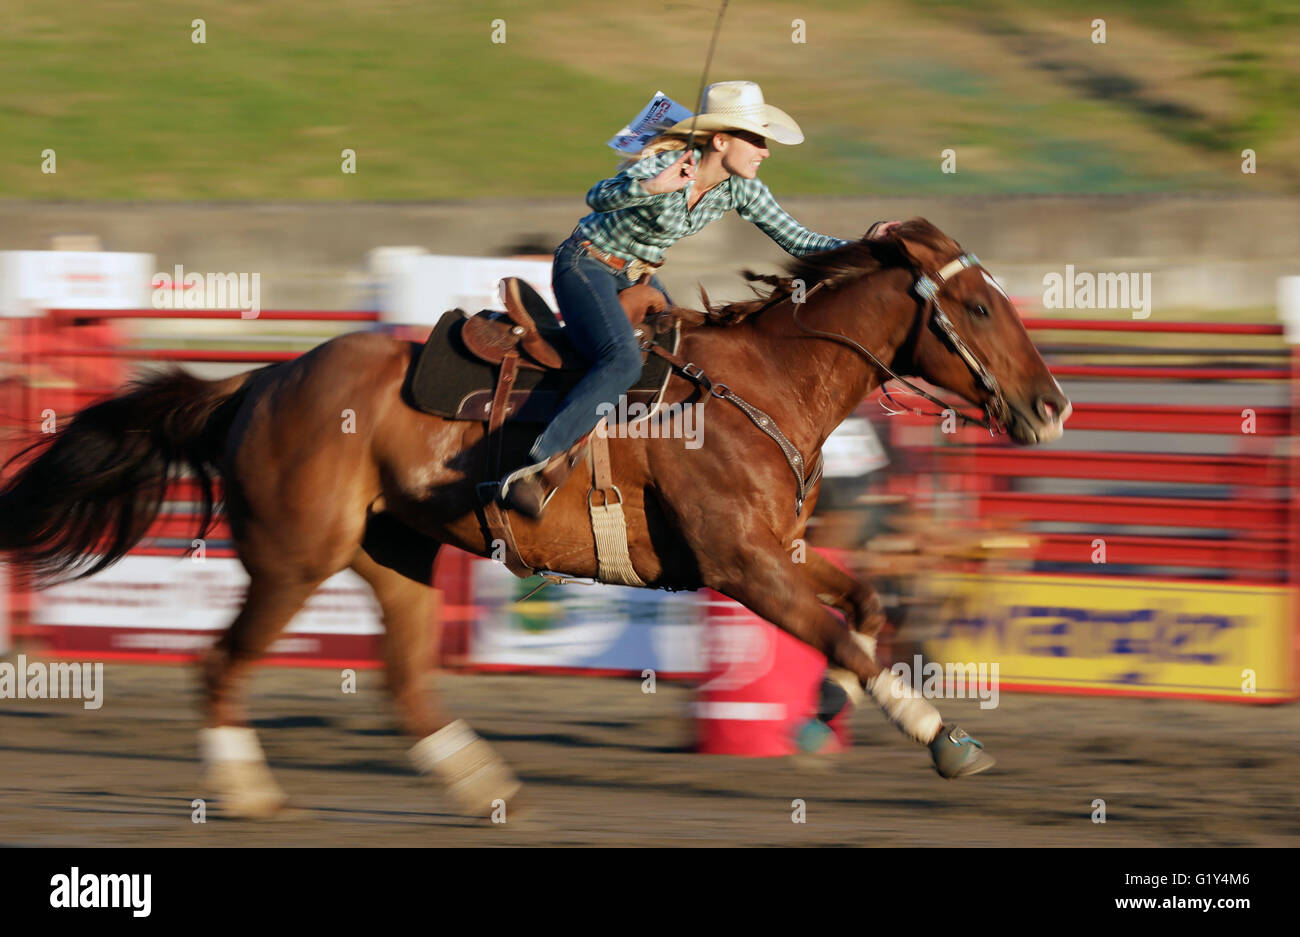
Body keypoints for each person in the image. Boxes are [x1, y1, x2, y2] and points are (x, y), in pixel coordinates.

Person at [499, 80, 897, 516]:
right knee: (622, 361)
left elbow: (799, 241)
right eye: (756, 140)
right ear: (721, 140)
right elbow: (597, 196)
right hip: (586, 264)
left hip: (639, 279)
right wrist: (650, 187)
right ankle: (536, 466)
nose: (764, 151)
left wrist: (869, 245)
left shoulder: (742, 188)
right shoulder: (669, 163)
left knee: (692, 356)